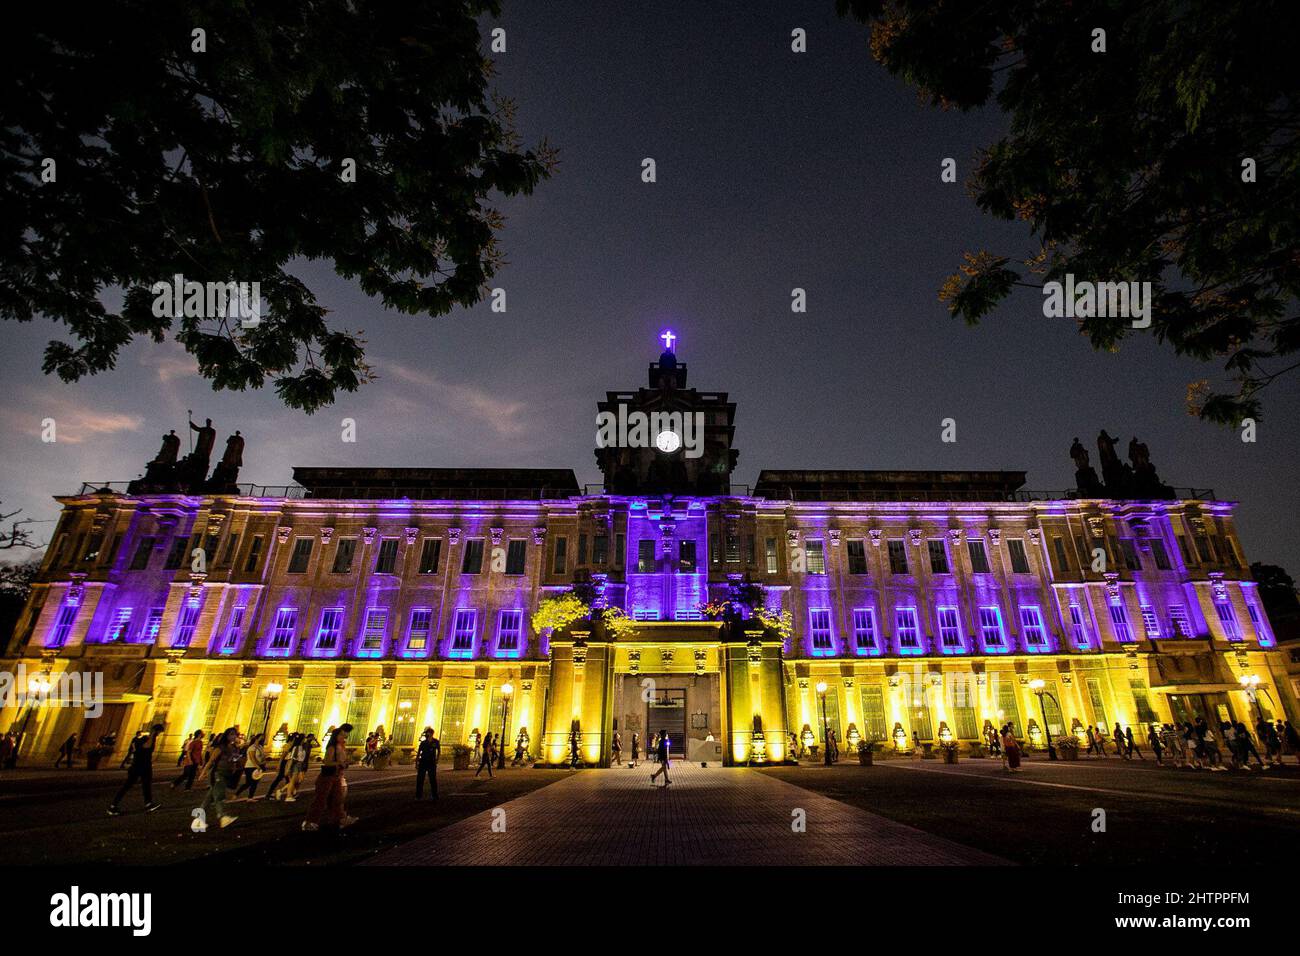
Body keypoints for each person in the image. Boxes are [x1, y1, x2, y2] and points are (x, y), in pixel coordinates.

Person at [303, 723, 357, 831]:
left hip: (337, 775)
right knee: (321, 800)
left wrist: (345, 763)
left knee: (338, 799)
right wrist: (340, 763)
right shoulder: (332, 747)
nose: (344, 736)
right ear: (336, 736)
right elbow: (327, 762)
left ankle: (341, 819)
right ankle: (310, 822)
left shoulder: (340, 746)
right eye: (341, 735)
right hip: (328, 777)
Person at [108, 724, 163, 815]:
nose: (159, 734)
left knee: (146, 785)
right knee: (128, 786)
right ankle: (113, 806)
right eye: (159, 732)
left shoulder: (143, 739)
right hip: (140, 766)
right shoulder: (145, 739)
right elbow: (146, 747)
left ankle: (148, 804)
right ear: (155, 731)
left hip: (141, 765)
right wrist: (152, 735)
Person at [195, 728, 239, 831]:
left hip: (226, 774)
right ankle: (222, 817)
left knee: (209, 797)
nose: (234, 736)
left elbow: (234, 760)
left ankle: (198, 820)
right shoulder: (220, 748)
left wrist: (235, 763)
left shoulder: (233, 748)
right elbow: (211, 761)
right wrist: (203, 772)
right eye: (232, 734)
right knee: (218, 796)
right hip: (217, 774)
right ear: (227, 736)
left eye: (235, 734)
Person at [278, 734, 312, 802]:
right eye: (304, 738)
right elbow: (292, 758)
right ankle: (288, 796)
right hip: (295, 764)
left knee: (297, 781)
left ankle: (283, 792)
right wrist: (288, 768)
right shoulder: (296, 747)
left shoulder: (301, 747)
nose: (305, 740)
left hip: (300, 764)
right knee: (292, 781)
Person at [234, 733, 267, 799]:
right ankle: (236, 794)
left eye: (263, 738)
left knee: (255, 783)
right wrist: (257, 766)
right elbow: (252, 758)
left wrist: (263, 763)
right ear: (257, 738)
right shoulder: (252, 747)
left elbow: (262, 757)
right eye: (261, 738)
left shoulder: (260, 747)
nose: (262, 739)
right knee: (248, 782)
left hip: (258, 767)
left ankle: (250, 797)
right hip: (250, 767)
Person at [264, 734, 297, 800]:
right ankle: (271, 793)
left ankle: (290, 793)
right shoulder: (288, 745)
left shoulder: (292, 746)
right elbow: (282, 756)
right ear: (293, 739)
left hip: (287, 763)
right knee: (280, 778)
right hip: (284, 763)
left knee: (288, 779)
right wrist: (279, 765)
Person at [416, 727, 441, 799]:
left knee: (432, 779)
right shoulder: (423, 742)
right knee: (420, 779)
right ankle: (418, 796)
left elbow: (439, 751)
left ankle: (434, 795)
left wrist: (437, 759)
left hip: (431, 762)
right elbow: (419, 752)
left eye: (428, 733)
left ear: (431, 733)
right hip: (423, 761)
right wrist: (417, 762)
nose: (427, 734)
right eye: (427, 733)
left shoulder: (435, 742)